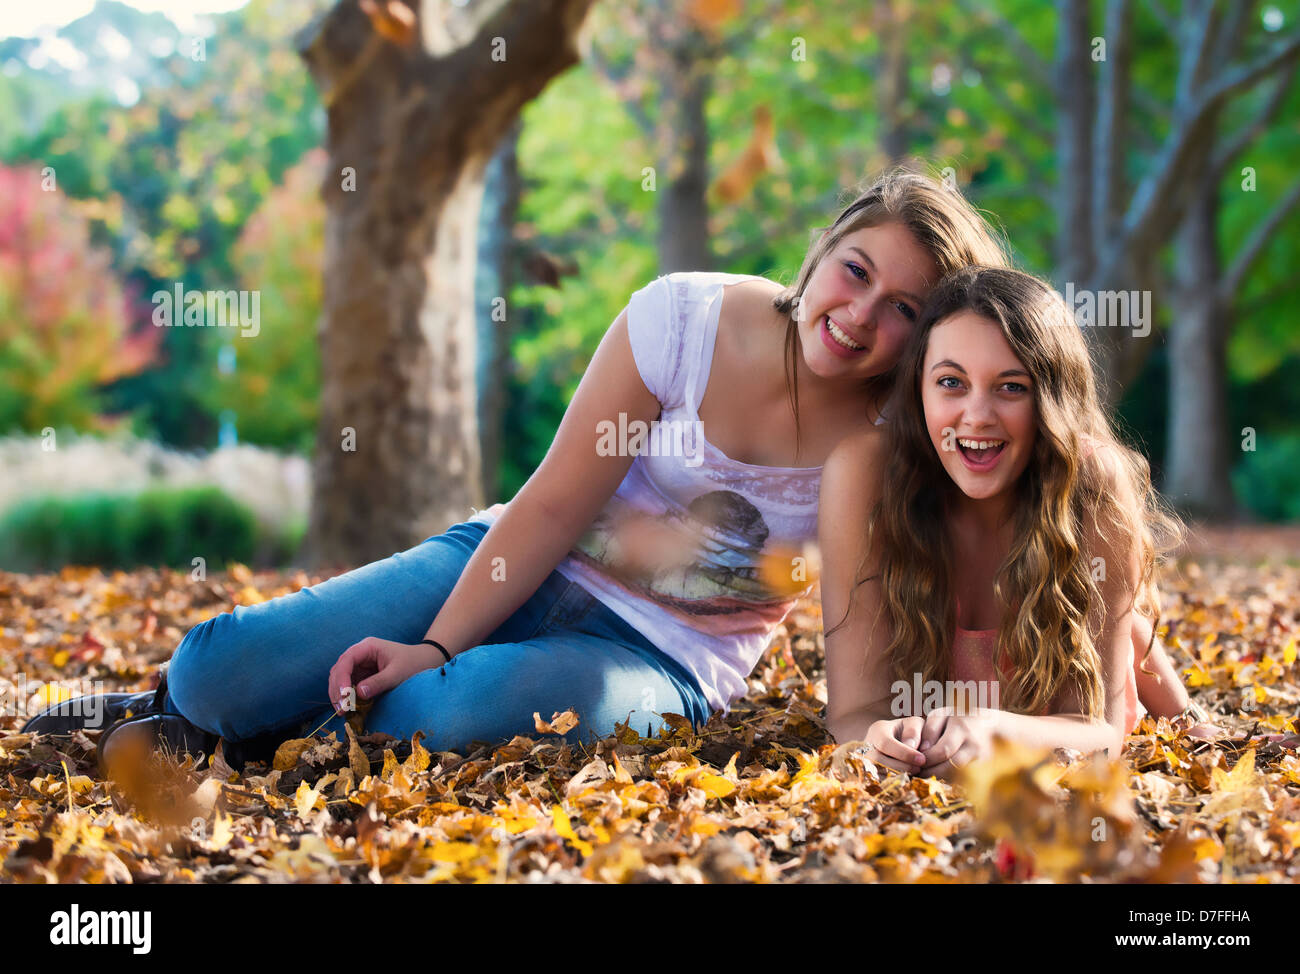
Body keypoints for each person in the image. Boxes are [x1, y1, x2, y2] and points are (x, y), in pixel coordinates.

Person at [25, 168, 1012, 776]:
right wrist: (437, 636)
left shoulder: (899, 430)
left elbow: (978, 540)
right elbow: (553, 501)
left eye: (904, 309)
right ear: (821, 249)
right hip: (522, 560)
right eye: (856, 271)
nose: (862, 312)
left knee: (446, 710)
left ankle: (222, 736)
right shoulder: (686, 318)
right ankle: (179, 710)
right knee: (216, 662)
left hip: (663, 657)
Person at [818, 265, 1218, 780]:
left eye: (1011, 387)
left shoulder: (1092, 479)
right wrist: (874, 739)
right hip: (998, 681)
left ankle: (1184, 712)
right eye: (950, 383)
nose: (977, 415)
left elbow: (1098, 728)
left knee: (1128, 635)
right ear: (918, 389)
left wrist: (994, 730)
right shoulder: (864, 472)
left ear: (1050, 401)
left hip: (1063, 690)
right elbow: (852, 712)